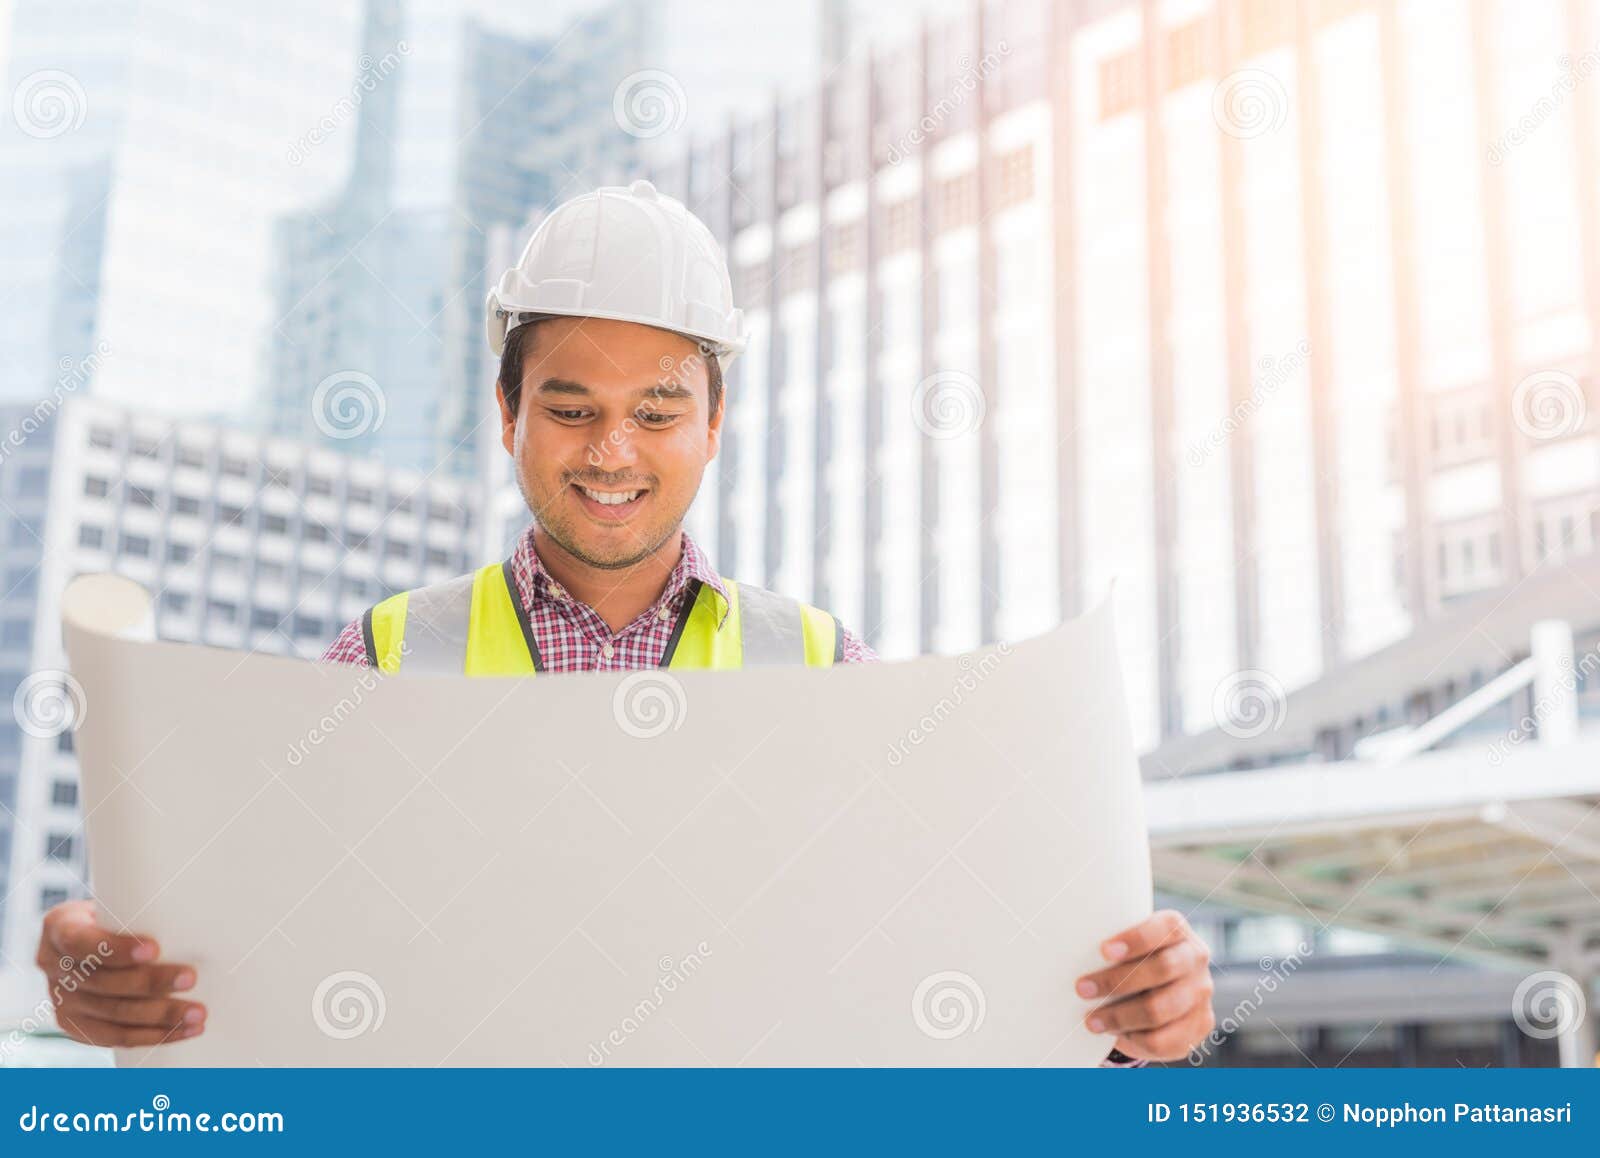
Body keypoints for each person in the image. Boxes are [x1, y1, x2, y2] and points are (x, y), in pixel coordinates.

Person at [36, 181, 1214, 1063]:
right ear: (506, 415)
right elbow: (262, 943)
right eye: (570, 408)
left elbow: (931, 966)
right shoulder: (385, 656)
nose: (611, 452)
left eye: (657, 411)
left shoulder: (822, 666)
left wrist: (1124, 1016)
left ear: (714, 423)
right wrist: (111, 962)